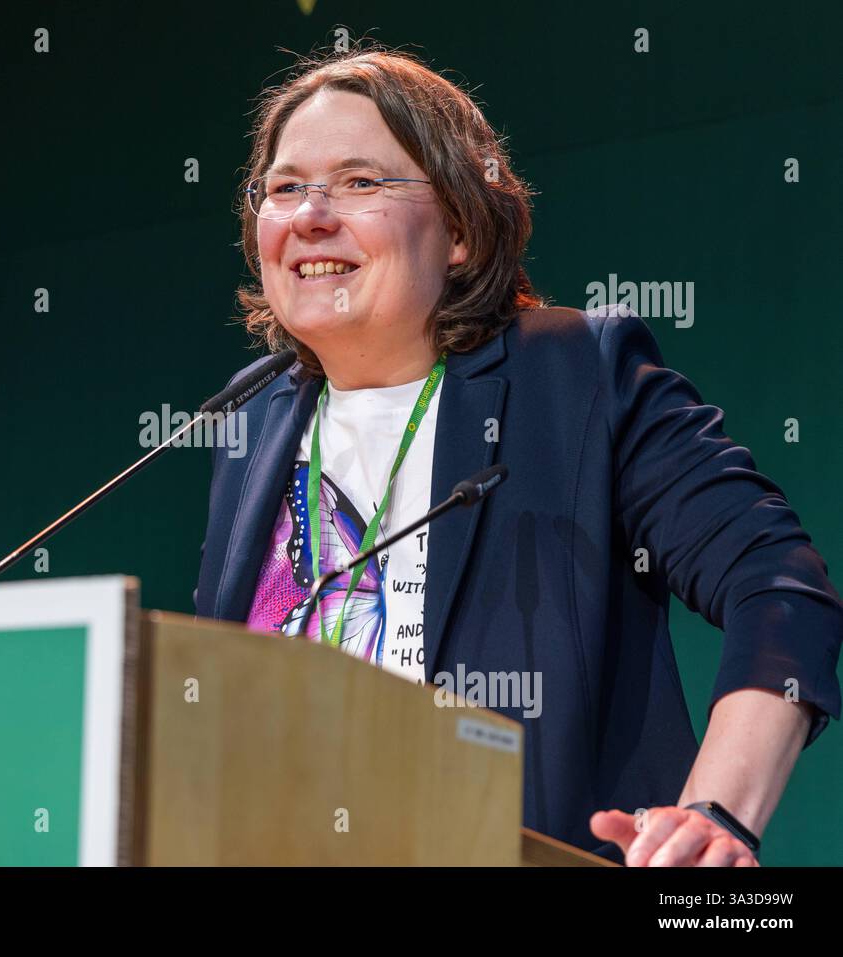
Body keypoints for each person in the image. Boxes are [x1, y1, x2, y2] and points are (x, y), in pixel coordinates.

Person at [193, 47, 841, 866]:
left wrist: (716, 812)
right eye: (285, 188)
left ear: (460, 229)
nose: (310, 215)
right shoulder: (254, 421)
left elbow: (777, 584)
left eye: (359, 182)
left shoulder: (574, 377)